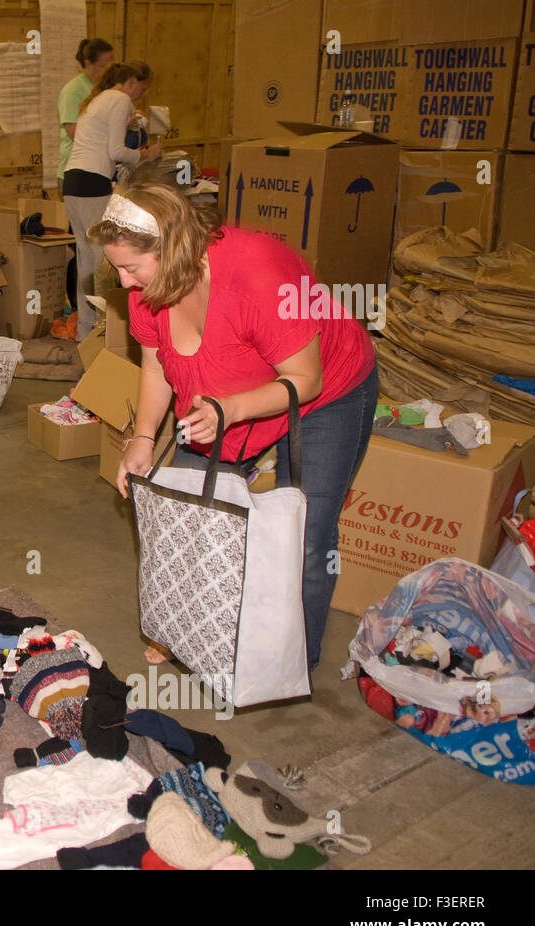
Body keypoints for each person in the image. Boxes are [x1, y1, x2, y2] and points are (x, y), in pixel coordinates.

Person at [101, 171, 378, 672]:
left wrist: (230, 411)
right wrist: (142, 438)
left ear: (171, 249)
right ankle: (190, 628)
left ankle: (290, 660)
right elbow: (157, 364)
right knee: (186, 516)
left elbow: (305, 379)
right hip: (224, 395)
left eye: (131, 267)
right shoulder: (150, 288)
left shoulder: (258, 275)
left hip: (324, 395)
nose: (123, 283)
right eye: (116, 268)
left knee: (307, 534)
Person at [64, 61, 160, 341]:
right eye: (141, 89)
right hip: (93, 182)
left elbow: (101, 137)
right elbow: (116, 150)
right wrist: (147, 155)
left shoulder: (98, 99)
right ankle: (105, 333)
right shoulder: (120, 99)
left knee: (85, 260)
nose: (139, 96)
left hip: (72, 181)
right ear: (131, 82)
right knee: (101, 263)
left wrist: (127, 124)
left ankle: (86, 332)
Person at [57, 38, 114, 192]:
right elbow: (74, 133)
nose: (110, 71)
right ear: (88, 64)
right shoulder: (73, 91)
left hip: (102, 169)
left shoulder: (109, 88)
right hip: (78, 171)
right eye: (105, 66)